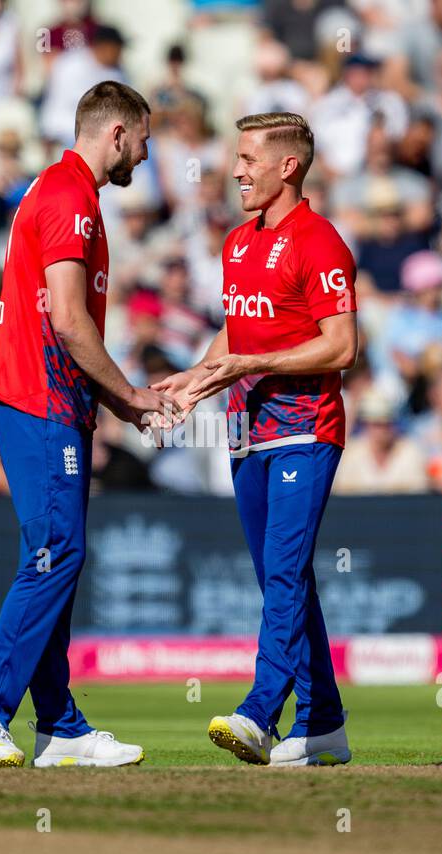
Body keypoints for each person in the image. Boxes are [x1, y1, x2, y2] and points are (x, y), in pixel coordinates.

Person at [0, 81, 162, 769]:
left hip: (48, 400)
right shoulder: (70, 197)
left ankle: (60, 725)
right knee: (57, 554)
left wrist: (117, 404)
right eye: (144, 140)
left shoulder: (62, 191)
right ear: (117, 133)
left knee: (50, 557)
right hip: (41, 400)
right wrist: (128, 391)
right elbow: (68, 321)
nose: (147, 154)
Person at [158, 112, 358, 766]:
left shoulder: (320, 240)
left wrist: (253, 365)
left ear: (288, 167)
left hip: (305, 427)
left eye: (248, 158)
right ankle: (324, 722)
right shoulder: (238, 242)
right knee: (284, 578)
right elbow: (237, 334)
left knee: (282, 572)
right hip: (246, 431)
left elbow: (342, 345)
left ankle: (260, 712)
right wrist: (194, 383)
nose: (236, 170)